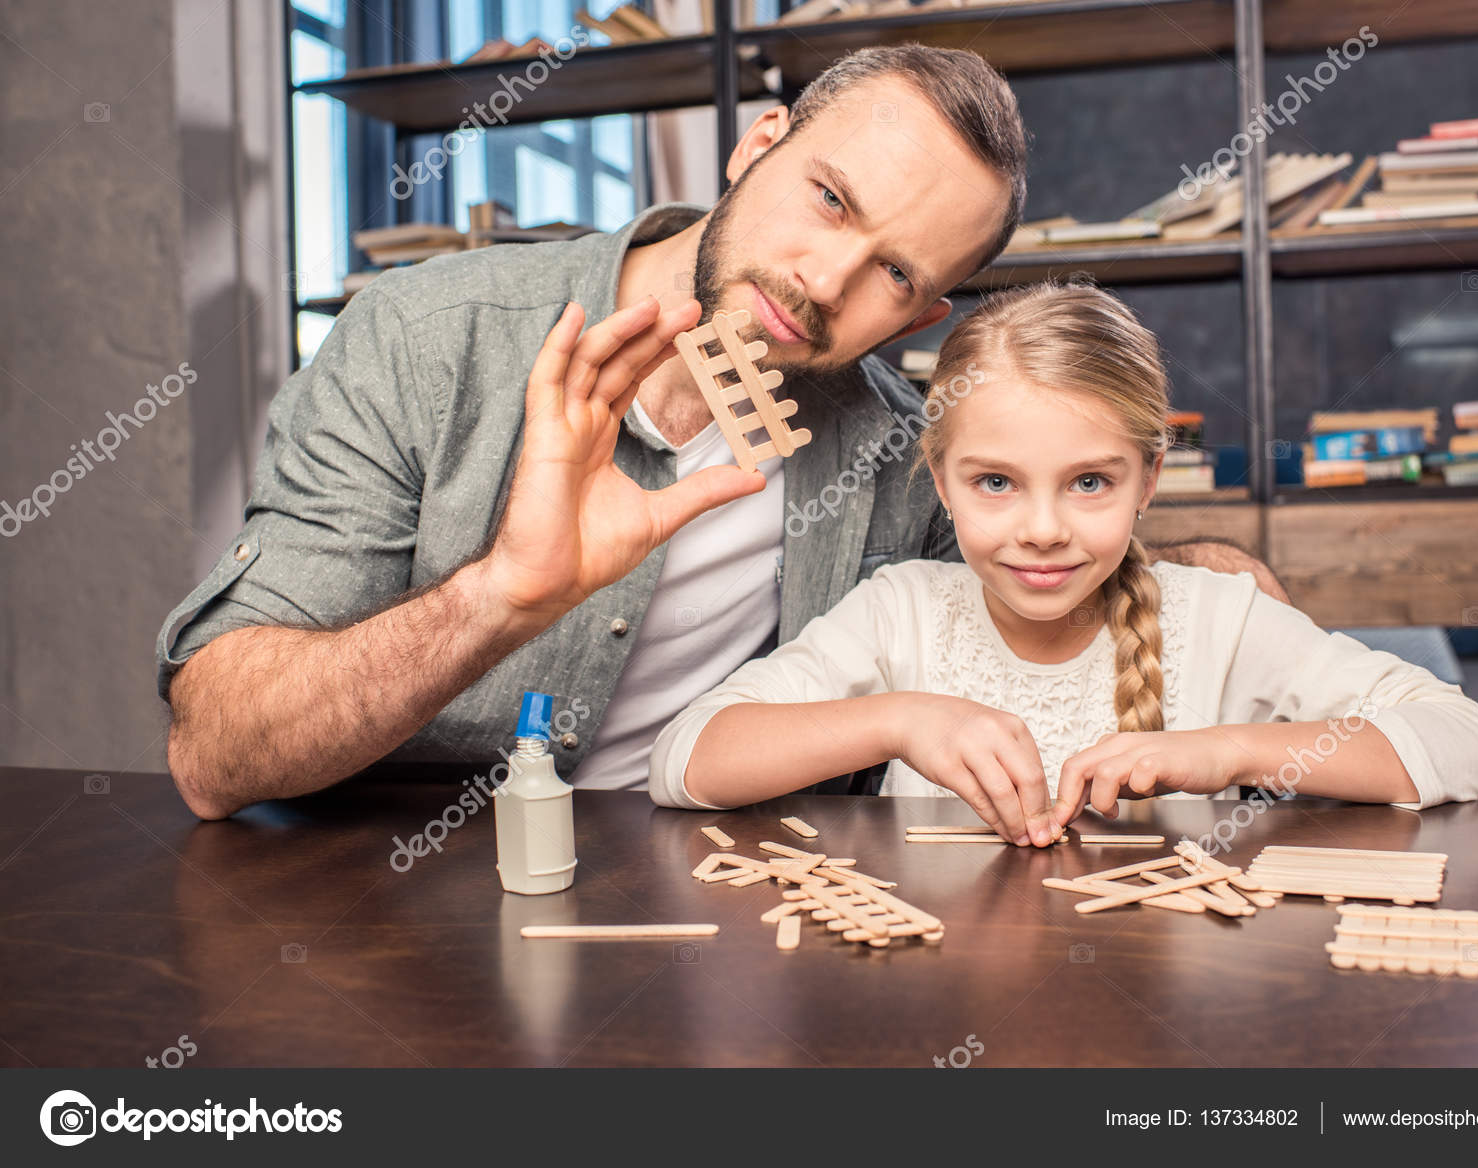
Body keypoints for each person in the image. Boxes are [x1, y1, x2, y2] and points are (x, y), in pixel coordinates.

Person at [157, 45, 1276, 820]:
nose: (825, 280)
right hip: (388, 909)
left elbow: (1026, 570)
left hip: (725, 915)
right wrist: (502, 594)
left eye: (894, 271)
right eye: (831, 198)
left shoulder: (901, 457)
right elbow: (214, 759)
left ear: (921, 317)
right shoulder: (423, 338)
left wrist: (1190, 573)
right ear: (757, 145)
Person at [648, 282, 1478, 845]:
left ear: (1148, 481)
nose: (1042, 529)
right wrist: (899, 720)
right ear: (940, 483)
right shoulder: (901, 610)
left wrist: (1231, 751)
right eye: (995, 482)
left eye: (1089, 481)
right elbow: (685, 759)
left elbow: (1474, 747)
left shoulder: (1217, 618)